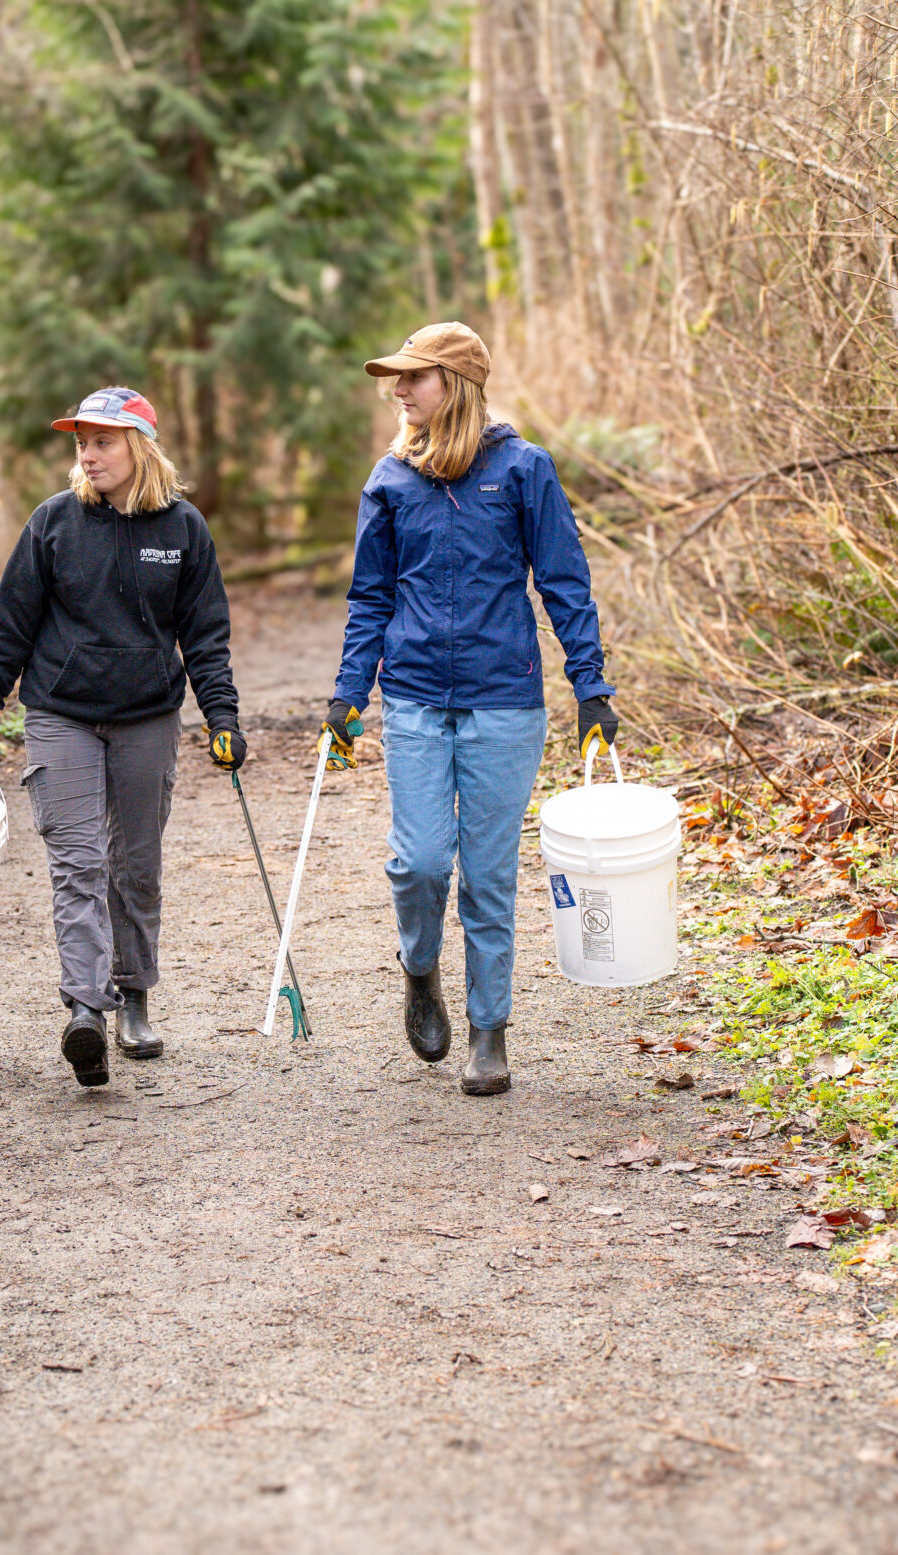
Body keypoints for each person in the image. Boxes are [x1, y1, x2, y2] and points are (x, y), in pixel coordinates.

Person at [325, 323, 617, 1097]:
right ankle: (420, 971)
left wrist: (591, 685)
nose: (398, 390)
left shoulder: (524, 470)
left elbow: (564, 581)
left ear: (452, 384)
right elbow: (371, 598)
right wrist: (350, 693)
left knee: (487, 876)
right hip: (416, 698)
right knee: (419, 862)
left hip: (504, 703)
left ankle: (490, 1031)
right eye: (396, 379)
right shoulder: (390, 479)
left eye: (413, 377)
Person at [0, 387, 246, 1088]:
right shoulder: (53, 525)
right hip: (60, 713)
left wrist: (221, 716)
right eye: (82, 443)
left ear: (139, 446)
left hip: (147, 715)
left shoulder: (183, 529)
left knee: (135, 864)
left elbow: (207, 637)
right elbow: (9, 631)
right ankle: (86, 1010)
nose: (89, 454)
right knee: (77, 863)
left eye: (103, 441)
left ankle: (134, 996)